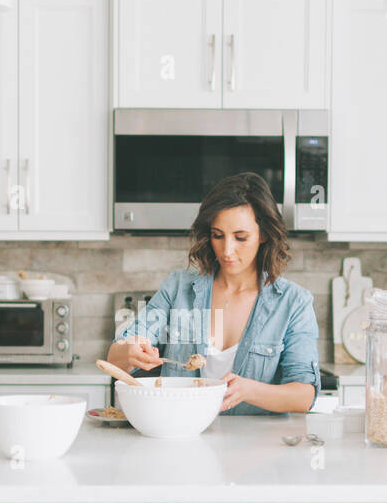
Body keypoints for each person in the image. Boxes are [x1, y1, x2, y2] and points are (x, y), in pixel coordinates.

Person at [107, 172, 320, 415]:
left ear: (263, 235)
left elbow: (304, 395)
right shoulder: (178, 289)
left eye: (240, 237)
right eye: (218, 235)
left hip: (257, 447)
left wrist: (248, 390)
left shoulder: (293, 303)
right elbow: (115, 356)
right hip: (181, 436)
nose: (227, 250)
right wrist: (131, 351)